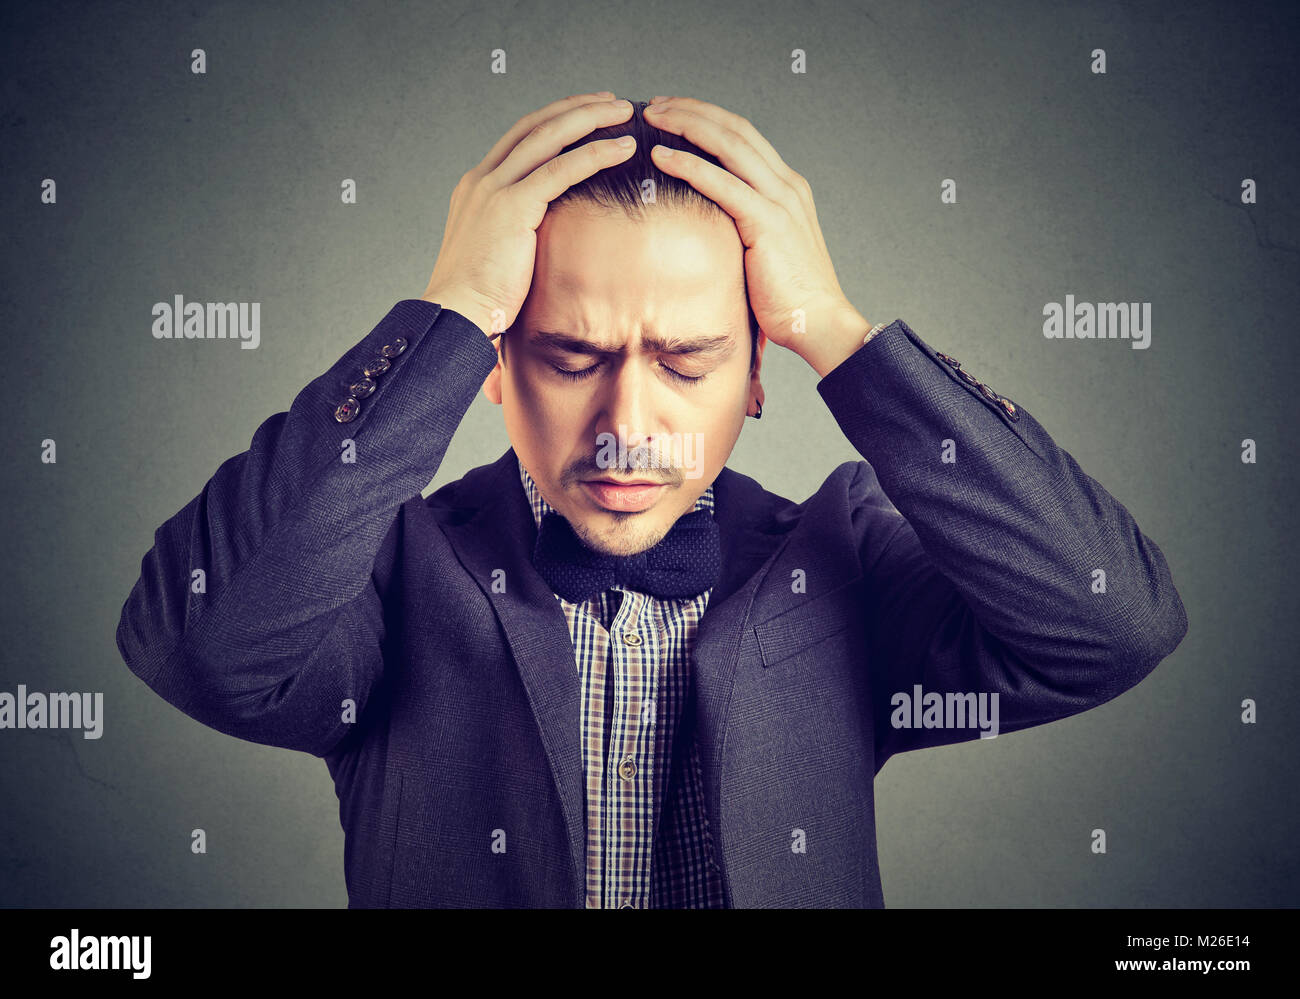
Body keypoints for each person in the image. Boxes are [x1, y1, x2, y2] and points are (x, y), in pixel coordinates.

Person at [116, 93, 1188, 908]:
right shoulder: (388, 568)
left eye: (687, 360)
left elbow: (1110, 626)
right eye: (572, 354)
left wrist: (841, 333)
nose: (627, 422)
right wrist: (443, 315)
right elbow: (201, 647)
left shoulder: (841, 556)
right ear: (493, 365)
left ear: (759, 373)